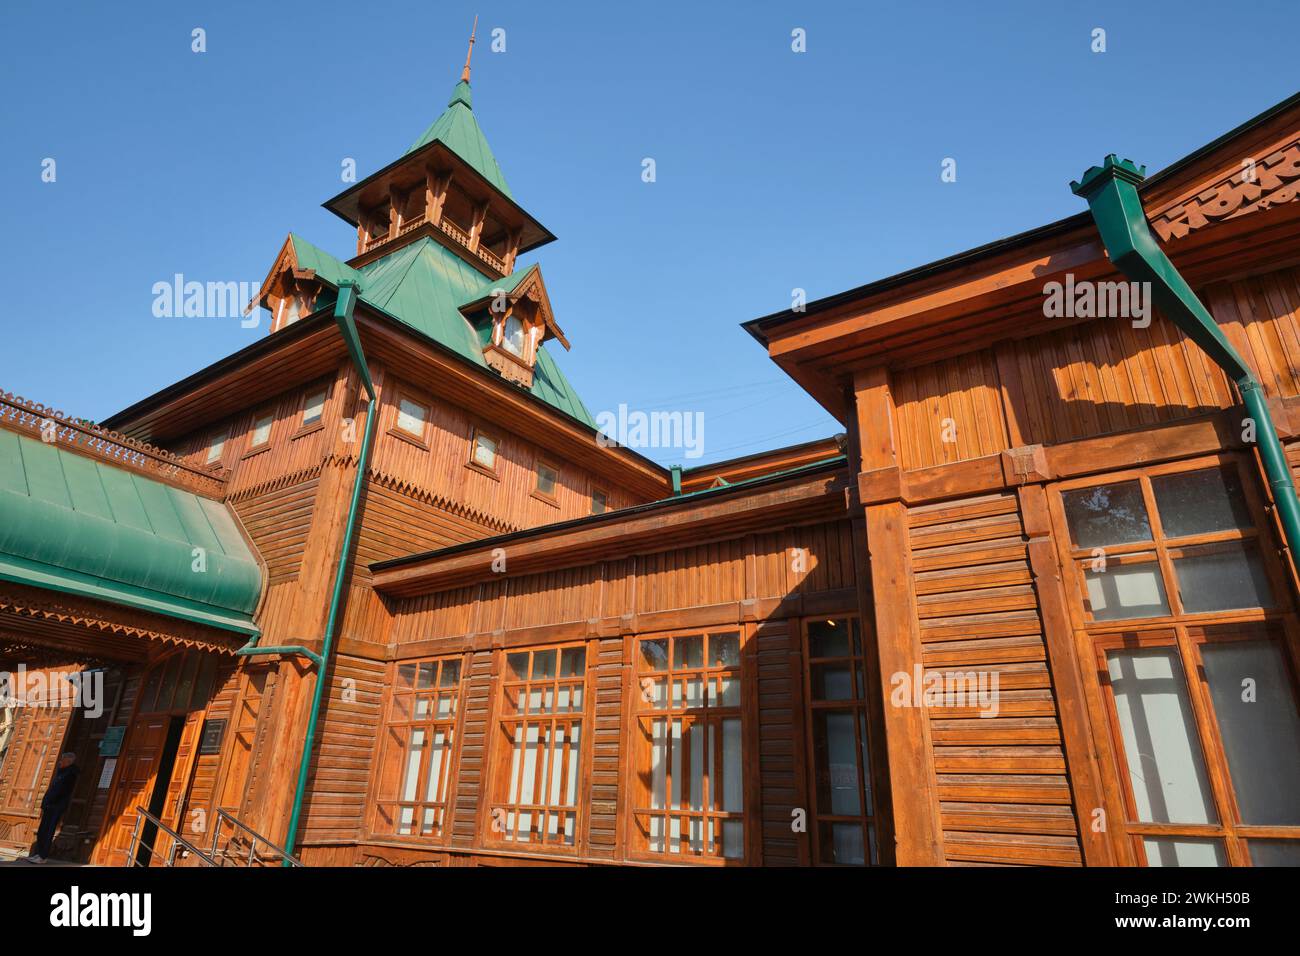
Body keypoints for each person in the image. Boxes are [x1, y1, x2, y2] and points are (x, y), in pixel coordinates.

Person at [24, 752, 78, 864]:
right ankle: (39, 854)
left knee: (48, 831)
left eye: (62, 760)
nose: (60, 762)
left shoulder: (69, 774)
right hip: (50, 806)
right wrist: (45, 803)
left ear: (68, 762)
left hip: (56, 807)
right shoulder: (62, 772)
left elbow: (60, 791)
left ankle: (43, 856)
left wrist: (50, 802)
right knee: (42, 831)